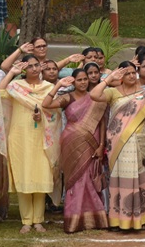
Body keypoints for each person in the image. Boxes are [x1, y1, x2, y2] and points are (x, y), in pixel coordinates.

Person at [90, 61, 145, 232]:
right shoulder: (113, 93)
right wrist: (108, 79)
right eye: (126, 73)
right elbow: (93, 94)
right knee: (119, 180)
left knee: (139, 179)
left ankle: (139, 219)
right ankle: (117, 220)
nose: (130, 76)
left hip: (140, 142)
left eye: (132, 73)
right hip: (117, 145)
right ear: (120, 75)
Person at [42, 63, 109, 233]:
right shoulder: (68, 97)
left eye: (85, 79)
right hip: (71, 143)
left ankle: (94, 218)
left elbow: (102, 123)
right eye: (79, 80)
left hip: (92, 142)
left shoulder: (96, 97)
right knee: (74, 180)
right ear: (74, 82)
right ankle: (74, 219)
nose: (83, 82)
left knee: (90, 178)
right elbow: (46, 104)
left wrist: (101, 145)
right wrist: (58, 85)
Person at [0, 55, 58, 233]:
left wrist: (43, 116)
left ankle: (38, 220)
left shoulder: (49, 87)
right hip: (20, 137)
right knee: (24, 175)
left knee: (41, 175)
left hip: (42, 137)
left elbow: (55, 112)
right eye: (29, 66)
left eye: (36, 65)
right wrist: (12, 73)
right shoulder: (15, 86)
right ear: (24, 69)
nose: (33, 69)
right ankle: (26, 220)